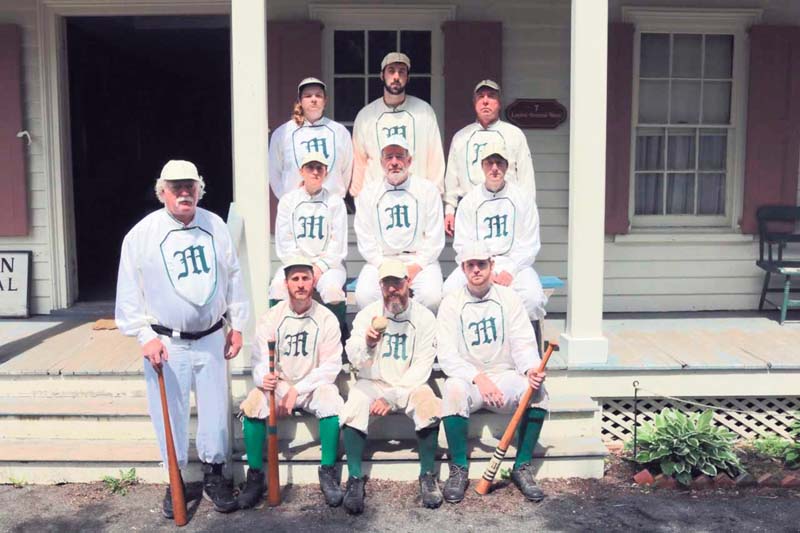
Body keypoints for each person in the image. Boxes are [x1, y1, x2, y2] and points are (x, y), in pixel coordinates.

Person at [115, 159, 249, 517]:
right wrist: (144, 335)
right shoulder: (141, 235)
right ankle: (173, 479)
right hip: (166, 341)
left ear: (199, 189)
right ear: (163, 192)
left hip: (210, 337)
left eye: (190, 185)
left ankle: (214, 475)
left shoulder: (216, 226)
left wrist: (237, 324)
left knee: (215, 412)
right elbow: (128, 294)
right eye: (176, 187)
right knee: (168, 414)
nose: (184, 192)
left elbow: (234, 276)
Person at [437, 242, 548, 504]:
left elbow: (523, 343)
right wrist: (478, 377)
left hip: (505, 375)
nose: (476, 270)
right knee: (452, 390)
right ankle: (459, 468)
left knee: (539, 391)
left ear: (492, 266)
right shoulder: (451, 303)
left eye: (482, 264)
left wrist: (531, 369)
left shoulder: (509, 298)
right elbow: (447, 356)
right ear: (463, 268)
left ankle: (522, 467)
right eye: (470, 265)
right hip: (469, 380)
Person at [238, 256, 345, 509]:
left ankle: (328, 471)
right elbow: (259, 359)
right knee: (253, 403)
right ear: (286, 284)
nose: (300, 284)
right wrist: (266, 377)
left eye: (305, 278)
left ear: (313, 282)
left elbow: (331, 366)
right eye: (294, 279)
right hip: (280, 385)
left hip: (311, 386)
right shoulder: (271, 317)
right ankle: (255, 477)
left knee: (332, 399)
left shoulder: (327, 318)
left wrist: (297, 390)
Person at [339, 259, 443, 514]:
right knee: (354, 404)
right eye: (387, 283)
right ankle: (354, 478)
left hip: (410, 383)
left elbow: (422, 367)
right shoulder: (368, 315)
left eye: (397, 282)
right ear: (380, 286)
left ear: (407, 283)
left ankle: (427, 476)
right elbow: (353, 355)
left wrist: (393, 398)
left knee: (429, 404)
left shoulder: (424, 317)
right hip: (374, 380)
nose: (393, 289)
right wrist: (368, 344)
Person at [442, 144, 547, 322]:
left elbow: (530, 244)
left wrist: (510, 271)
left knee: (532, 298)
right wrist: (485, 270)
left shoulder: (523, 199)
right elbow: (462, 245)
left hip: (515, 264)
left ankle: (517, 341)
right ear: (482, 166)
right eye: (489, 163)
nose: (495, 168)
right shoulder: (470, 201)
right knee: (449, 291)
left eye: (499, 162)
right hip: (478, 262)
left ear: (507, 166)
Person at [353, 135, 444, 312]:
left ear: (409, 160)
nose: (394, 162)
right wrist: (383, 266)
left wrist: (417, 266)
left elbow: (435, 237)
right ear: (381, 162)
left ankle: (418, 335)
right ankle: (382, 335)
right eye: (389, 157)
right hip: (382, 260)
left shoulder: (427, 190)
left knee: (431, 297)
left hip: (419, 260)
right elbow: (365, 238)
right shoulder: (369, 193)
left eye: (399, 156)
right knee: (364, 295)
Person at [443, 80, 536, 236]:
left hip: (507, 211)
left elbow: (526, 178)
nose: (485, 101)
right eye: (481, 96)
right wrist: (449, 210)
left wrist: (527, 212)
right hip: (472, 212)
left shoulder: (514, 135)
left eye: (491, 96)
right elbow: (452, 177)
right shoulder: (461, 137)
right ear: (475, 103)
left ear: (499, 103)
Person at [269, 151, 348, 331]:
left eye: (319, 168)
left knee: (332, 290)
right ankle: (279, 334)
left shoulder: (335, 202)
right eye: (310, 167)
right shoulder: (288, 202)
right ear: (301, 171)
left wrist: (319, 268)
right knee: (277, 287)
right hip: (295, 263)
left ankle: (336, 335)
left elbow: (338, 245)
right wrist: (302, 269)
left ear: (326, 172)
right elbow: (285, 243)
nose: (315, 172)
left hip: (328, 265)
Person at [350, 52, 445, 197]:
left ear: (408, 77)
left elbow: (435, 158)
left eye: (402, 72)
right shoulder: (366, 116)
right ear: (382, 75)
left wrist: (435, 196)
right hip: (376, 199)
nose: (396, 77)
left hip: (418, 198)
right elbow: (359, 164)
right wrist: (358, 198)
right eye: (391, 71)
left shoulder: (424, 112)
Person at [269, 77, 353, 199]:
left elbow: (346, 170)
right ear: (300, 100)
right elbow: (274, 172)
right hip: (295, 206)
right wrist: (287, 200)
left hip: (330, 207)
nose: (313, 99)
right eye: (308, 96)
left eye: (318, 96)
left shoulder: (340, 132)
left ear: (325, 101)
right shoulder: (283, 133)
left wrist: (335, 199)